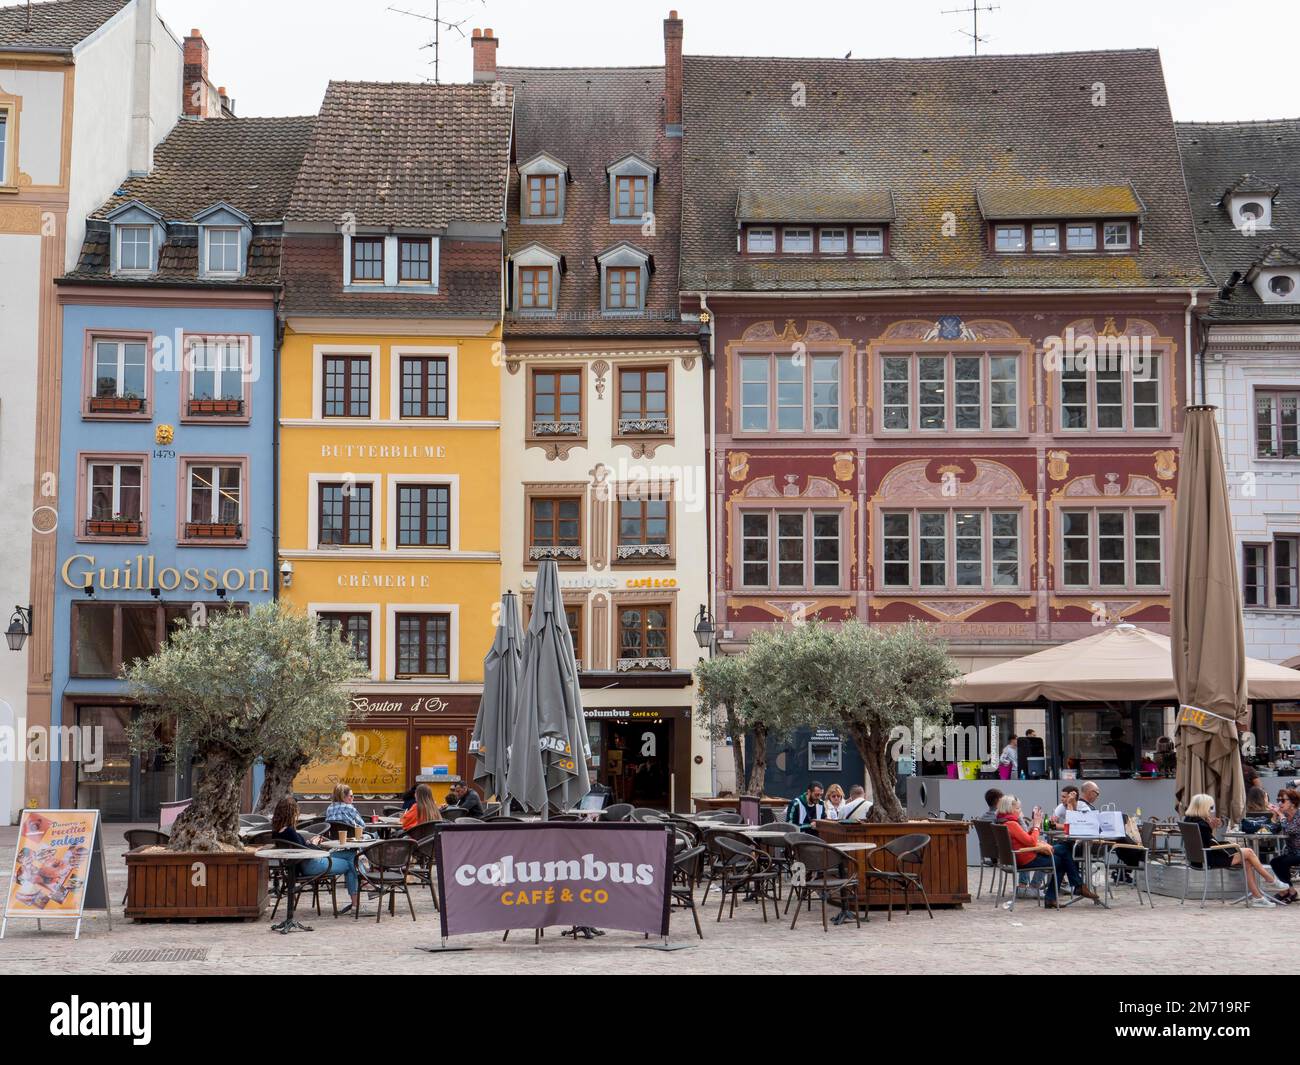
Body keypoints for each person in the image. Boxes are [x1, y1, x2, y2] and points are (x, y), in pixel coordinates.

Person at [1184, 793, 1288, 907]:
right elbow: (1211, 843)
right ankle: (1270, 880)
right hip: (1209, 858)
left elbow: (1205, 841)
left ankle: (1258, 897)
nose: (1211, 810)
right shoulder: (1202, 824)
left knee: (1247, 860)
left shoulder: (1189, 820)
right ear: (1203, 807)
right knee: (1249, 852)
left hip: (1197, 859)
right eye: (1210, 807)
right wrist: (1229, 845)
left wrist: (1211, 827)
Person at [995, 794, 1097, 908]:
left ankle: (1075, 887)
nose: (1020, 811)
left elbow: (1023, 839)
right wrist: (1037, 826)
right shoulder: (1012, 824)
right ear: (1010, 809)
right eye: (1018, 808)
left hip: (1020, 856)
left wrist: (1033, 826)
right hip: (1026, 858)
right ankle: (1069, 890)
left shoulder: (1003, 822)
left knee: (1064, 848)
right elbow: (1032, 842)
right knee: (1062, 859)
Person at [272, 796, 360, 915]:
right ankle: (356, 905)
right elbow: (305, 853)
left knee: (351, 854)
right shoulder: (290, 832)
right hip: (311, 864)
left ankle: (357, 901)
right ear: (291, 812)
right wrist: (313, 844)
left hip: (306, 863)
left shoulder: (278, 831)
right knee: (351, 863)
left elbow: (299, 848)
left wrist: (308, 843)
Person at [1267, 788, 1300, 904]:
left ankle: (1287, 891)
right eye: (1278, 800)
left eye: (1283, 800)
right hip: (1292, 852)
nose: (1279, 803)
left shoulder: (1298, 815)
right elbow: (1273, 830)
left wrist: (1281, 815)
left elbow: (1291, 830)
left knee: (1283, 862)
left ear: (1292, 803)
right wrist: (1275, 816)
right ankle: (1289, 891)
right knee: (1275, 862)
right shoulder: (1285, 816)